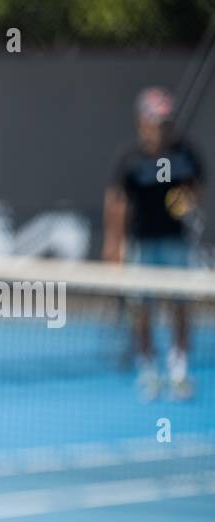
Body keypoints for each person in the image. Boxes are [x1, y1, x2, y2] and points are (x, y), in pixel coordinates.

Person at [102, 86, 204, 400]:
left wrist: (186, 201)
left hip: (176, 243)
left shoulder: (185, 154)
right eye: (156, 122)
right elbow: (116, 202)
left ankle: (179, 370)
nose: (162, 128)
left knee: (180, 309)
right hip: (142, 245)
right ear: (142, 122)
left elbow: (197, 190)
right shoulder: (130, 160)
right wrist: (113, 243)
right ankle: (148, 369)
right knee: (140, 311)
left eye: (166, 122)